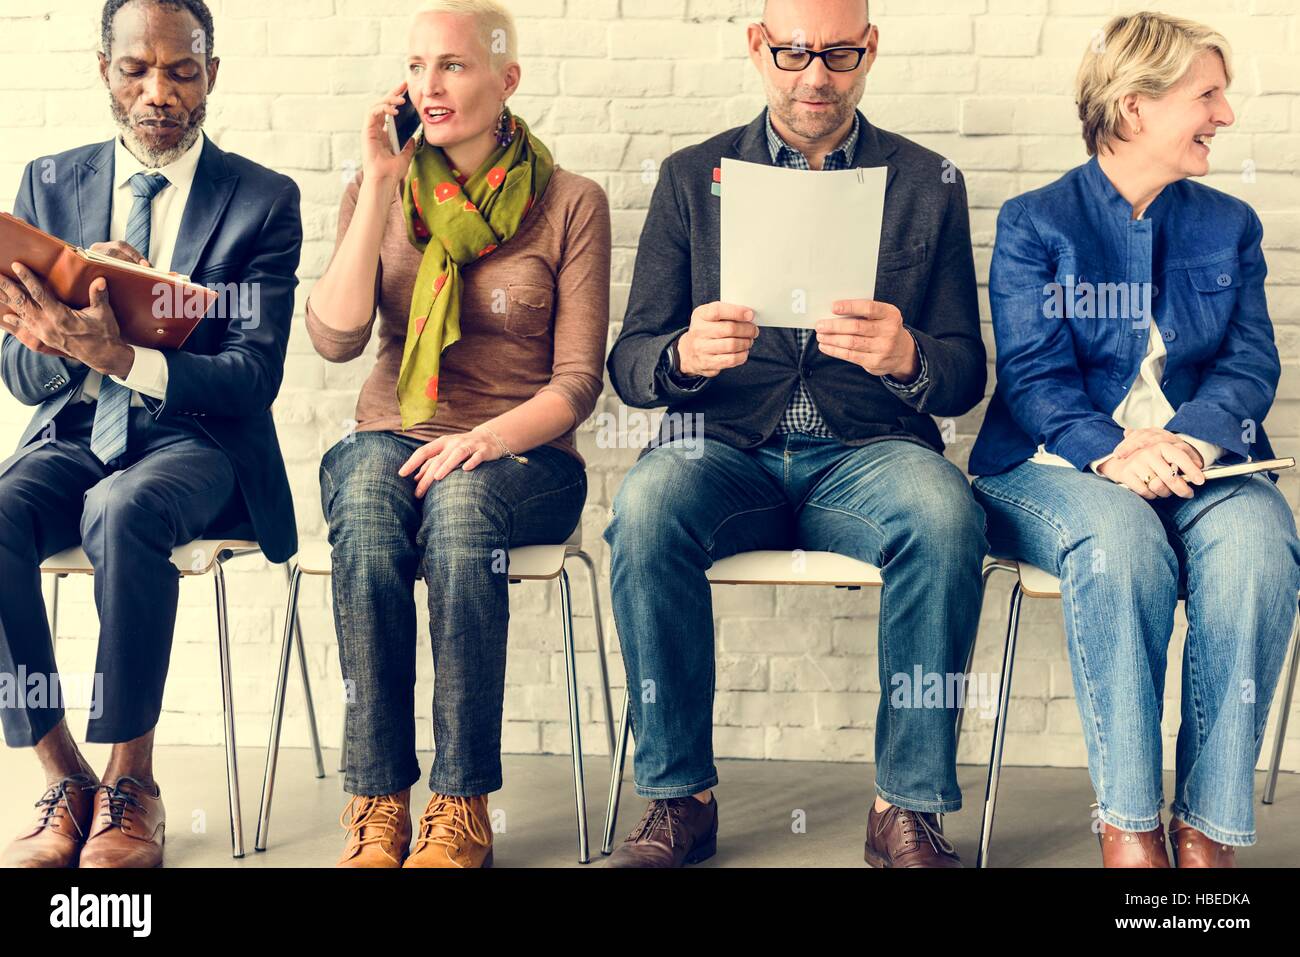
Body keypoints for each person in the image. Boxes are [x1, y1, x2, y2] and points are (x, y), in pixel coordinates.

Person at [603, 0, 988, 868]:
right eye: (794, 53)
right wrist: (685, 357)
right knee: (646, 504)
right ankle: (678, 798)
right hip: (726, 448)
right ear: (757, 48)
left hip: (869, 453)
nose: (817, 74)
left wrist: (909, 355)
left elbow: (966, 370)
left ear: (870, 50)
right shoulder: (690, 176)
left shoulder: (928, 181)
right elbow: (629, 360)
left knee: (947, 513)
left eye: (840, 53)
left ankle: (907, 808)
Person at [968, 11, 1300, 867]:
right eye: (1207, 94)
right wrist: (1117, 451)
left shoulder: (1229, 223)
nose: (1225, 116)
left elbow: (1249, 365)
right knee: (1119, 540)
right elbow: (1036, 380)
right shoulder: (1036, 222)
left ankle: (1207, 827)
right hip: (1053, 465)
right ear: (1134, 106)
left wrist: (1184, 441)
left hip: (1199, 462)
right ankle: (1128, 822)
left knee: (1262, 540)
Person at [306, 0, 610, 868]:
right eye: (415, 67)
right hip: (391, 435)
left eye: (452, 65)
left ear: (507, 79)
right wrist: (373, 181)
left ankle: (461, 800)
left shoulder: (570, 202)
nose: (428, 85)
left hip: (525, 455)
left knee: (463, 505)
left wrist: (485, 440)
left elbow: (577, 385)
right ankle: (376, 800)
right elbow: (334, 338)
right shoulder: (382, 186)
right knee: (367, 500)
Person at [0, 0, 301, 869]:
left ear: (212, 74)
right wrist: (62, 338)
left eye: (181, 70)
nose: (157, 91)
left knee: (124, 510)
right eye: (137, 69)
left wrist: (129, 355)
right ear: (105, 70)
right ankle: (65, 775)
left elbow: (253, 377)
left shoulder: (262, 200)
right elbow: (17, 375)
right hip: (74, 432)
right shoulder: (47, 185)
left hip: (197, 442)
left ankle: (135, 783)